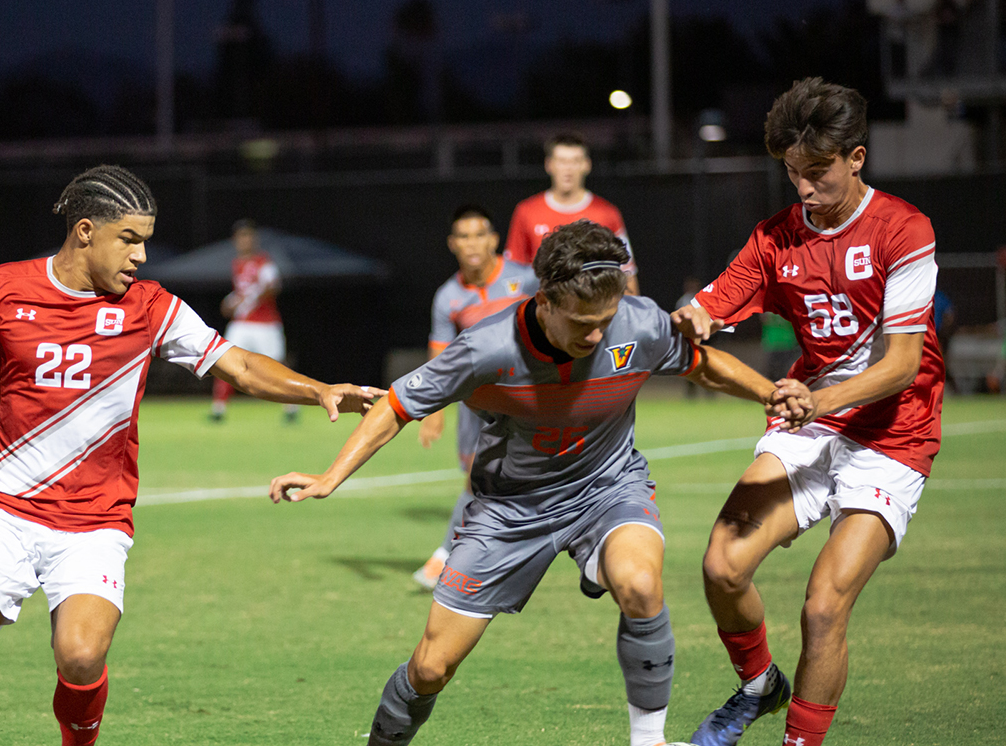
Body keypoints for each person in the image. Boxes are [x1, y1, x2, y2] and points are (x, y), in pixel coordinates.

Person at [0, 166, 380, 746]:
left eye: (145, 242)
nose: (140, 257)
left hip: (95, 522)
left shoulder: (150, 307)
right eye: (129, 240)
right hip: (5, 513)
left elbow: (237, 363)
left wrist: (316, 389)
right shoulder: (1, 288)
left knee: (81, 657)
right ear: (85, 231)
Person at [270, 220, 807, 746]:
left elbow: (702, 365)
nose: (597, 334)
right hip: (510, 510)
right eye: (582, 324)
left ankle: (649, 740)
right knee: (432, 668)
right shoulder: (487, 348)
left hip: (608, 488)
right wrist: (330, 476)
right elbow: (395, 406)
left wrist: (769, 393)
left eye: (606, 318)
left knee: (641, 585)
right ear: (545, 302)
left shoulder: (640, 323)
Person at [671, 78, 945, 746]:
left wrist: (815, 400)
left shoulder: (903, 230)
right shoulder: (775, 239)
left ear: (856, 157)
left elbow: (901, 364)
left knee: (823, 608)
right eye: (792, 173)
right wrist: (687, 319)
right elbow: (709, 310)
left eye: (816, 172)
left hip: (893, 433)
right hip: (808, 418)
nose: (802, 188)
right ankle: (760, 684)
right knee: (721, 566)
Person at [412, 204, 538, 590]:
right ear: (452, 244)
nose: (472, 243)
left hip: (528, 398)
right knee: (478, 480)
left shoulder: (526, 280)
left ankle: (446, 557)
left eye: (479, 234)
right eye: (463, 236)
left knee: (488, 479)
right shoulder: (448, 297)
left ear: (493, 239)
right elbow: (441, 354)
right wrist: (433, 409)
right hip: (476, 405)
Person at [505, 131, 640, 295]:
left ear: (587, 165)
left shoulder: (607, 213)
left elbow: (626, 272)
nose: (568, 169)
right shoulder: (526, 211)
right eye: (562, 161)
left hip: (594, 312)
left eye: (575, 161)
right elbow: (513, 273)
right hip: (544, 310)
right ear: (549, 164)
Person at [210, 218, 298, 422]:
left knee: (276, 367)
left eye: (248, 236)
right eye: (241, 236)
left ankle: (291, 406)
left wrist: (252, 297)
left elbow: (273, 286)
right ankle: (218, 408)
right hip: (242, 323)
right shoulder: (237, 264)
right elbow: (239, 294)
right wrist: (231, 302)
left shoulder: (263, 262)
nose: (244, 240)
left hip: (265, 323)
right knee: (225, 360)